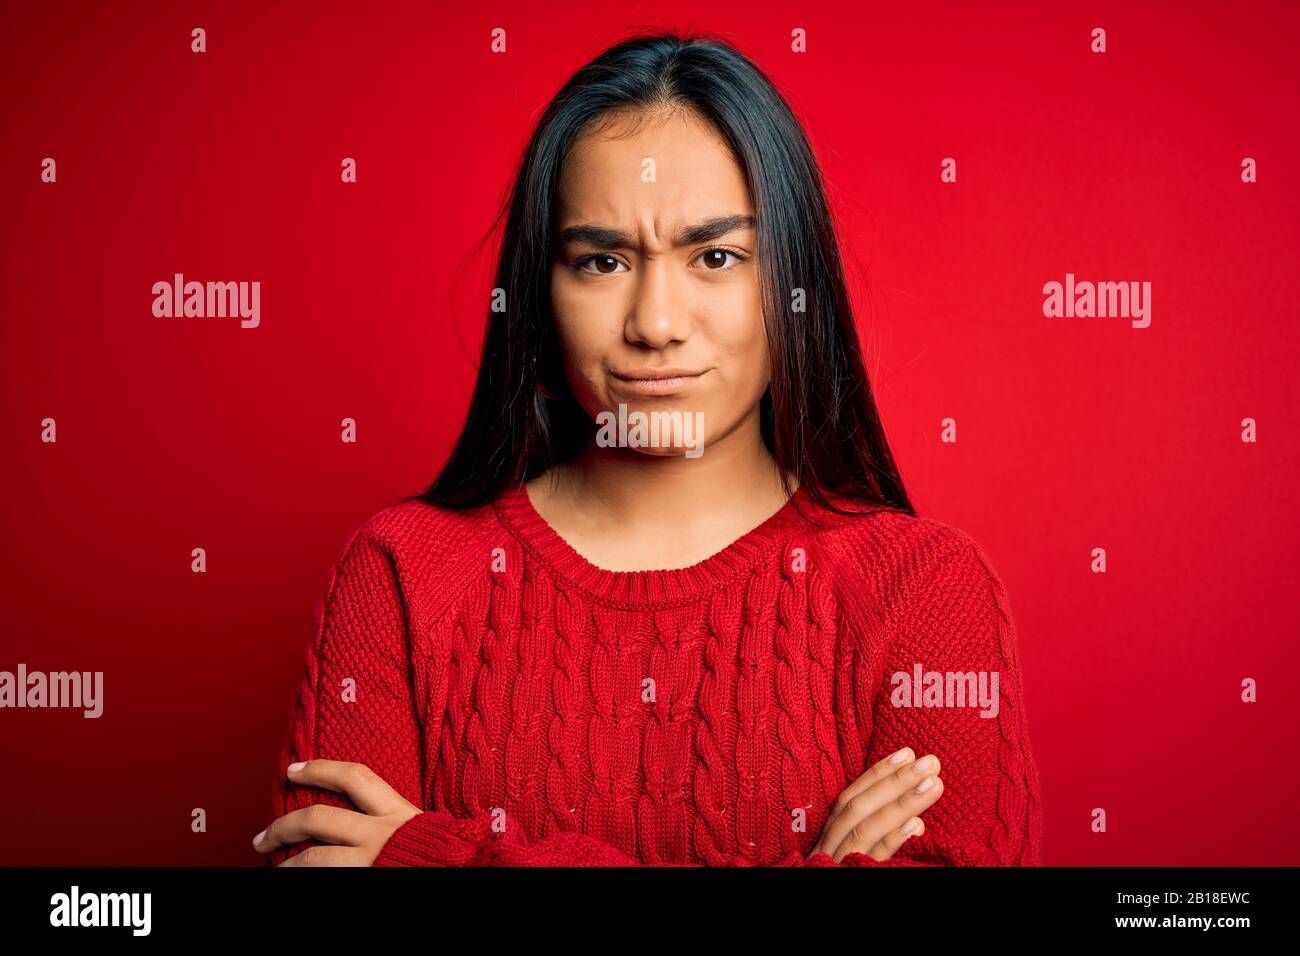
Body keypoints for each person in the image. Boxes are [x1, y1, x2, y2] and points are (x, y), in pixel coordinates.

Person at [254, 30, 1043, 867]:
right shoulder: (399, 573)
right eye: (601, 261)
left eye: (715, 256)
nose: (655, 324)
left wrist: (447, 857)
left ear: (792, 283)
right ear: (538, 290)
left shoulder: (925, 590)